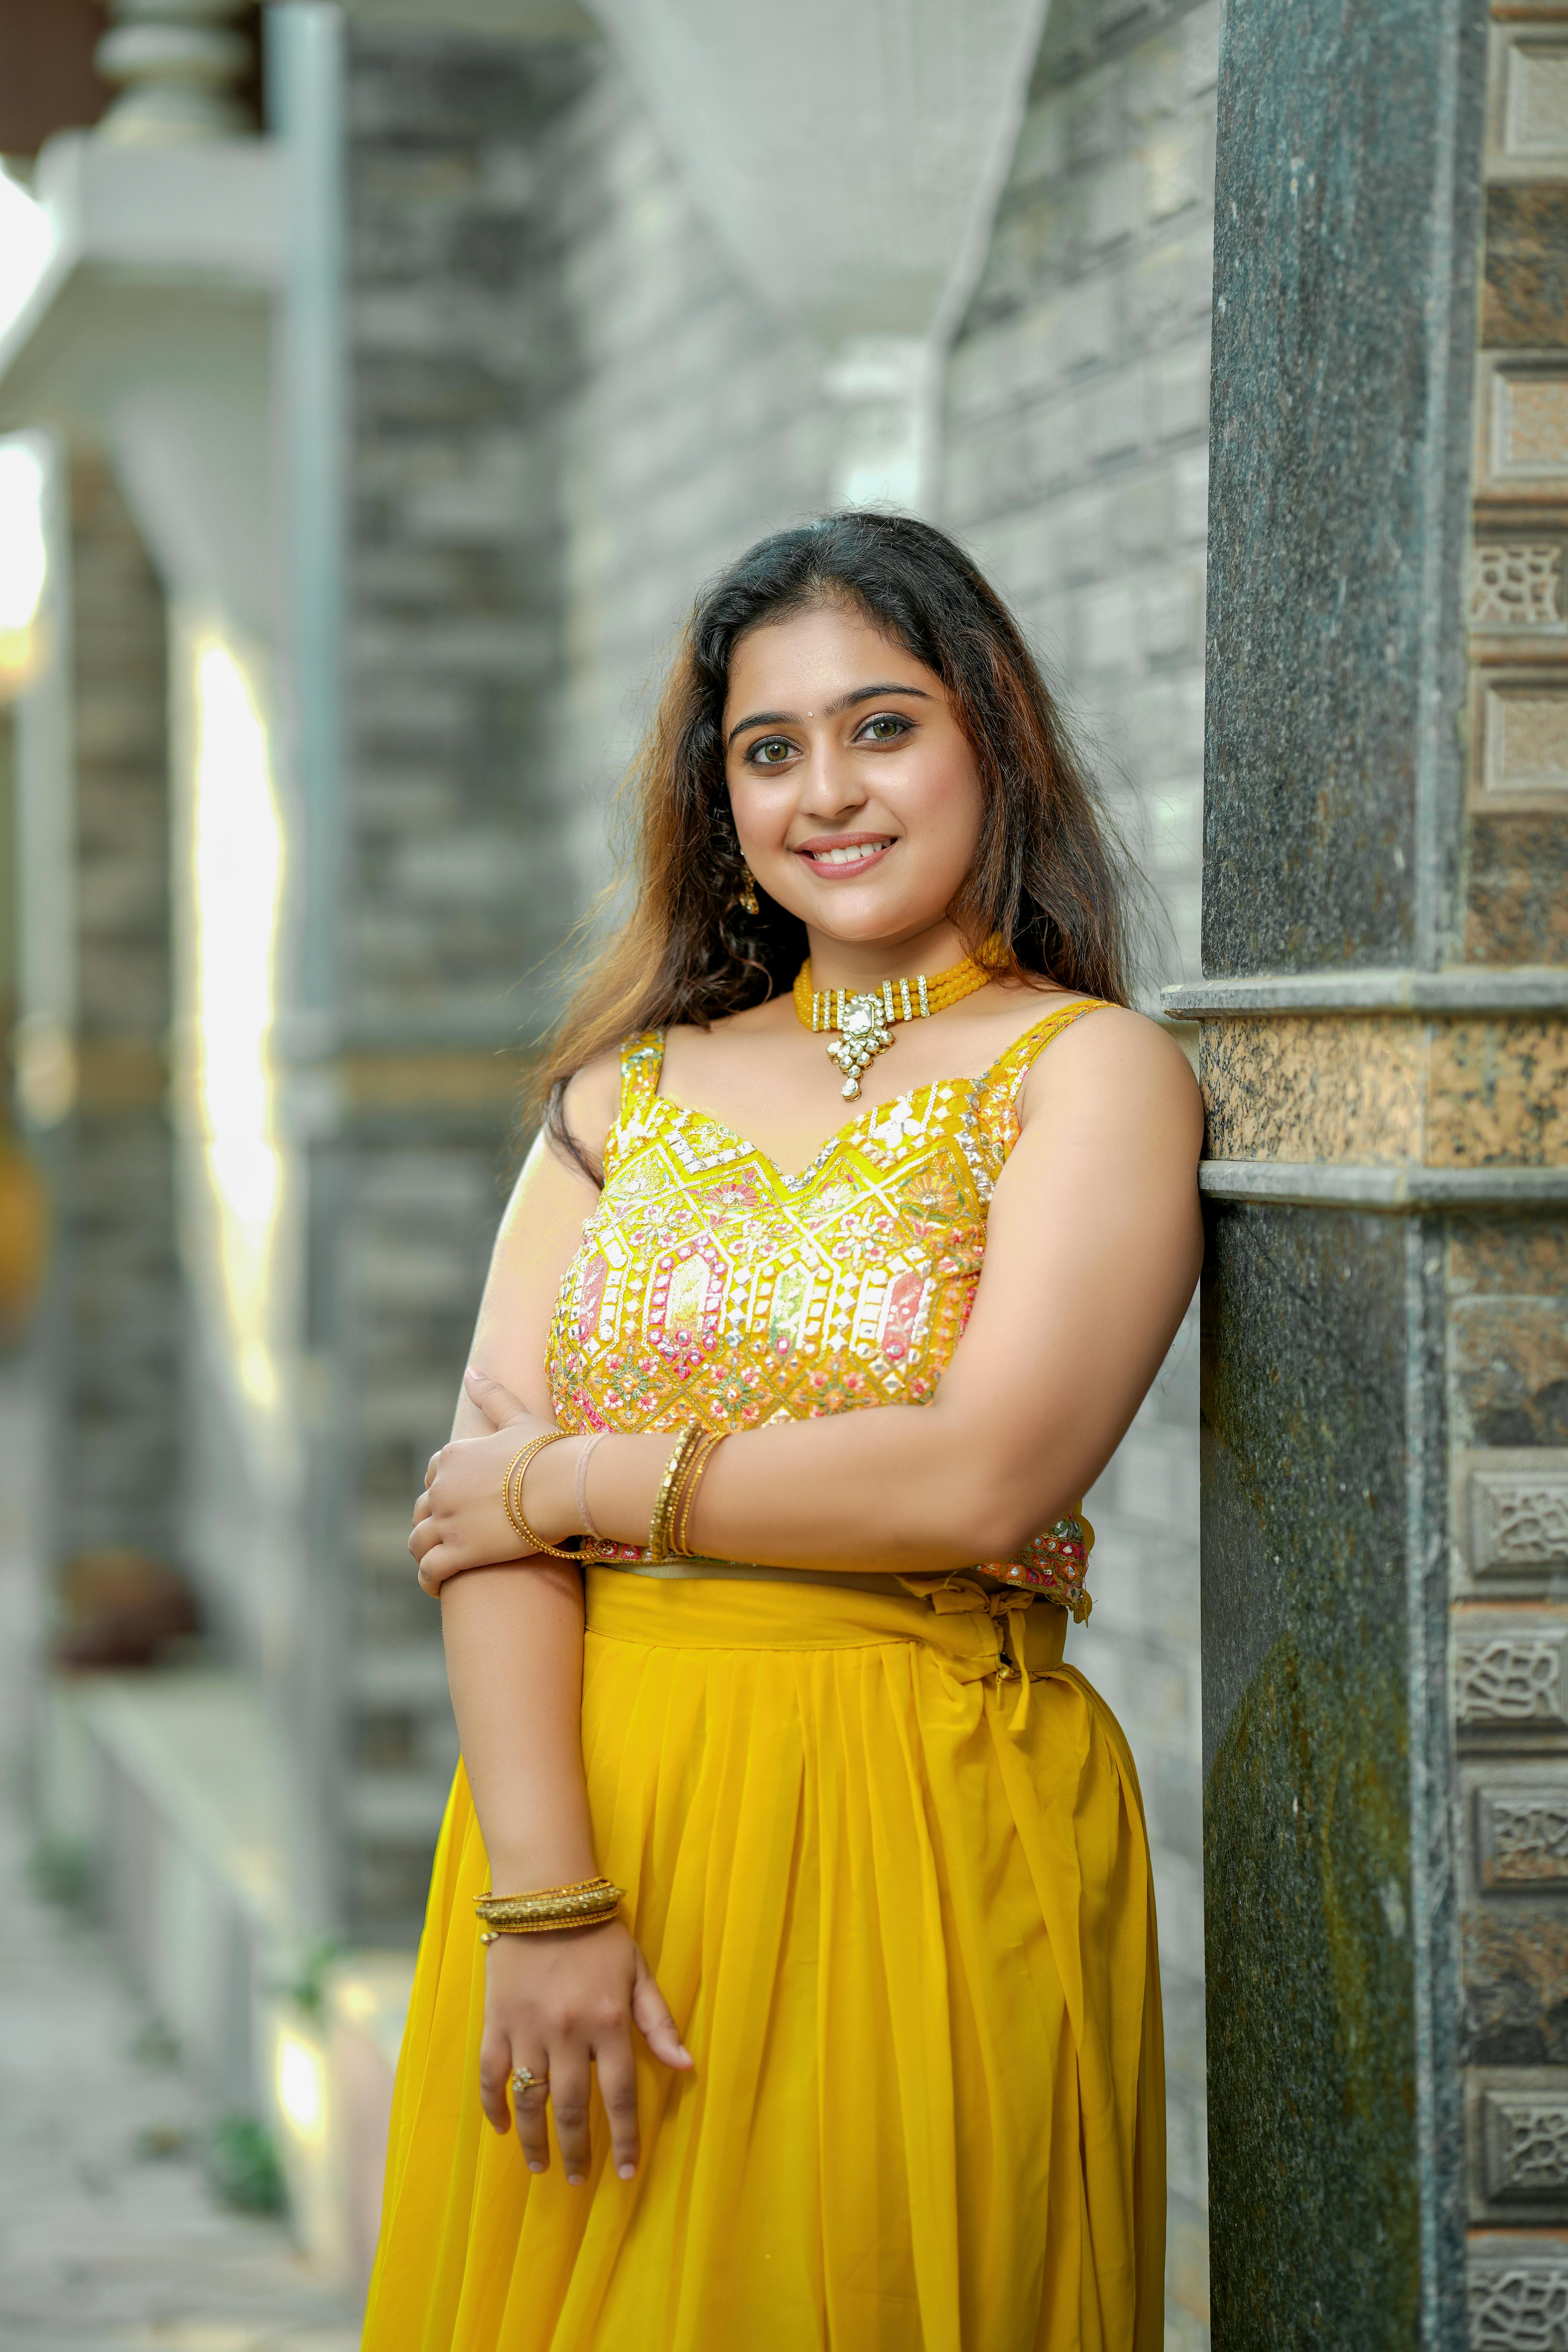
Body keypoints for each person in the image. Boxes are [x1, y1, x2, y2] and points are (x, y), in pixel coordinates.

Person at [362, 511, 1203, 2352]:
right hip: (585, 1818)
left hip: (918, 1814)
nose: (828, 788)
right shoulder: (623, 1090)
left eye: (882, 726)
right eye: (770, 747)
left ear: (995, 736)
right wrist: (546, 1896)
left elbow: (984, 1474)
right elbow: (468, 1502)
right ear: (717, 794)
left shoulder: (1090, 1077)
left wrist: (581, 1480)